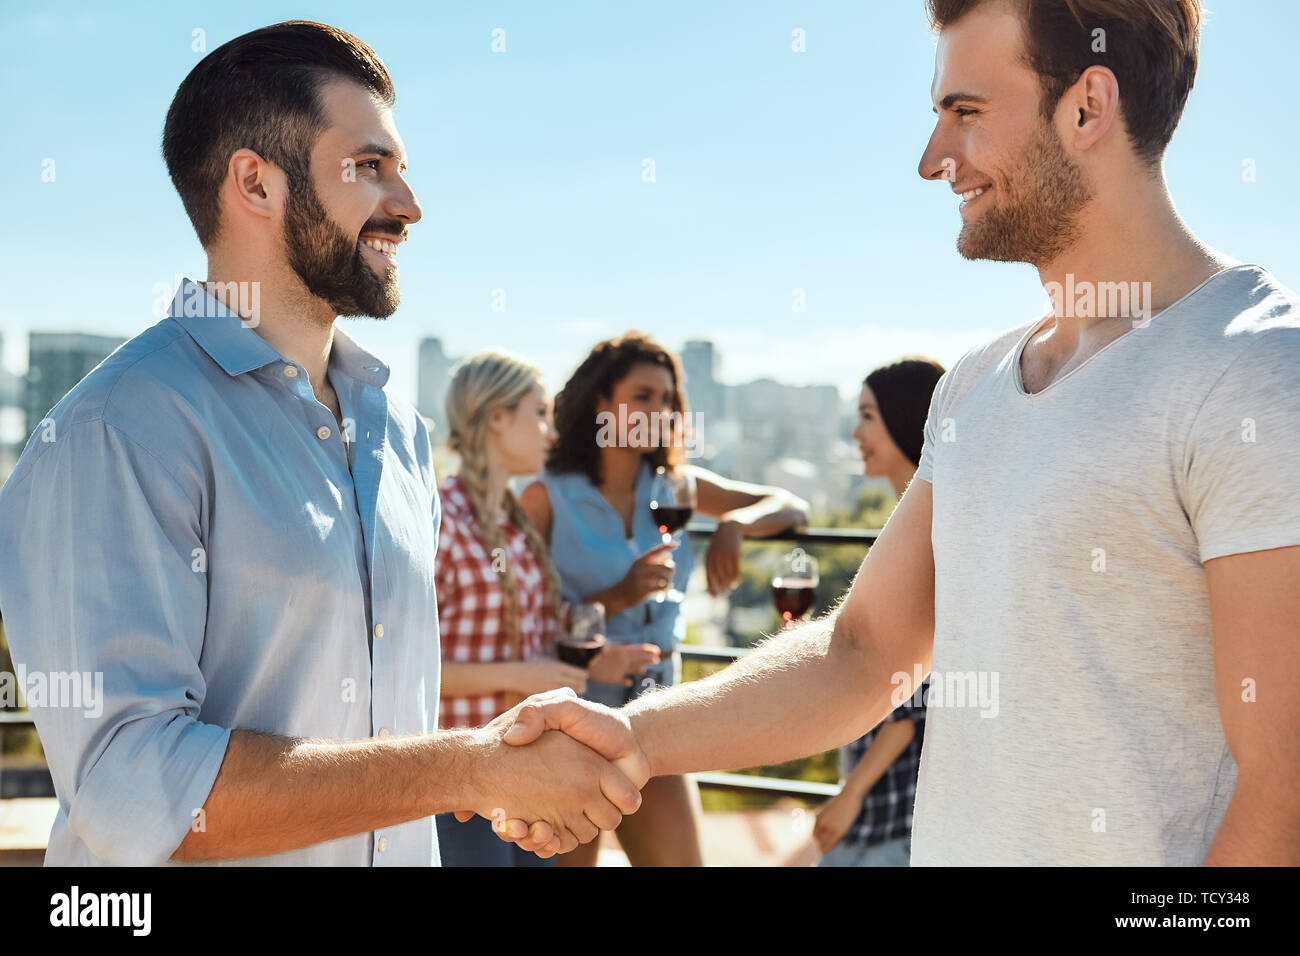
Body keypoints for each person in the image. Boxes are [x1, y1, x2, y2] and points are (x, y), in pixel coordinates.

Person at [482, 0, 1300, 866]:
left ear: (1088, 107)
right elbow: (863, 655)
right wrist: (627, 735)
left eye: (966, 113)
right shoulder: (976, 384)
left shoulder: (1250, 372)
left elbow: (1283, 793)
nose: (932, 158)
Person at [0, 21, 639, 866]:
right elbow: (134, 792)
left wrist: (504, 773)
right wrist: (468, 767)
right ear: (255, 184)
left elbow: (389, 734)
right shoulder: (112, 432)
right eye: (370, 167)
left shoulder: (399, 435)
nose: (409, 204)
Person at [514, 332, 810, 866]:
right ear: (602, 403)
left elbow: (790, 504)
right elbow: (520, 624)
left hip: (659, 717)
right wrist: (618, 596)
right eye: (643, 396)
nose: (660, 411)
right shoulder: (546, 495)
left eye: (668, 399)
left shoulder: (679, 487)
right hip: (569, 723)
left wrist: (735, 525)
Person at [433, 352, 662, 866]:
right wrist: (525, 673)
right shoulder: (439, 518)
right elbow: (407, 666)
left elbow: (528, 631)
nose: (551, 432)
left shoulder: (513, 523)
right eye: (537, 413)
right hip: (461, 781)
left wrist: (594, 661)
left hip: (525, 776)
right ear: (496, 417)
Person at [814, 358, 944, 867]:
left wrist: (850, 795)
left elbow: (913, 704)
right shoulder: (908, 524)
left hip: (893, 812)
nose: (855, 432)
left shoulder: (928, 534)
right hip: (885, 808)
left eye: (868, 416)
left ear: (904, 418)